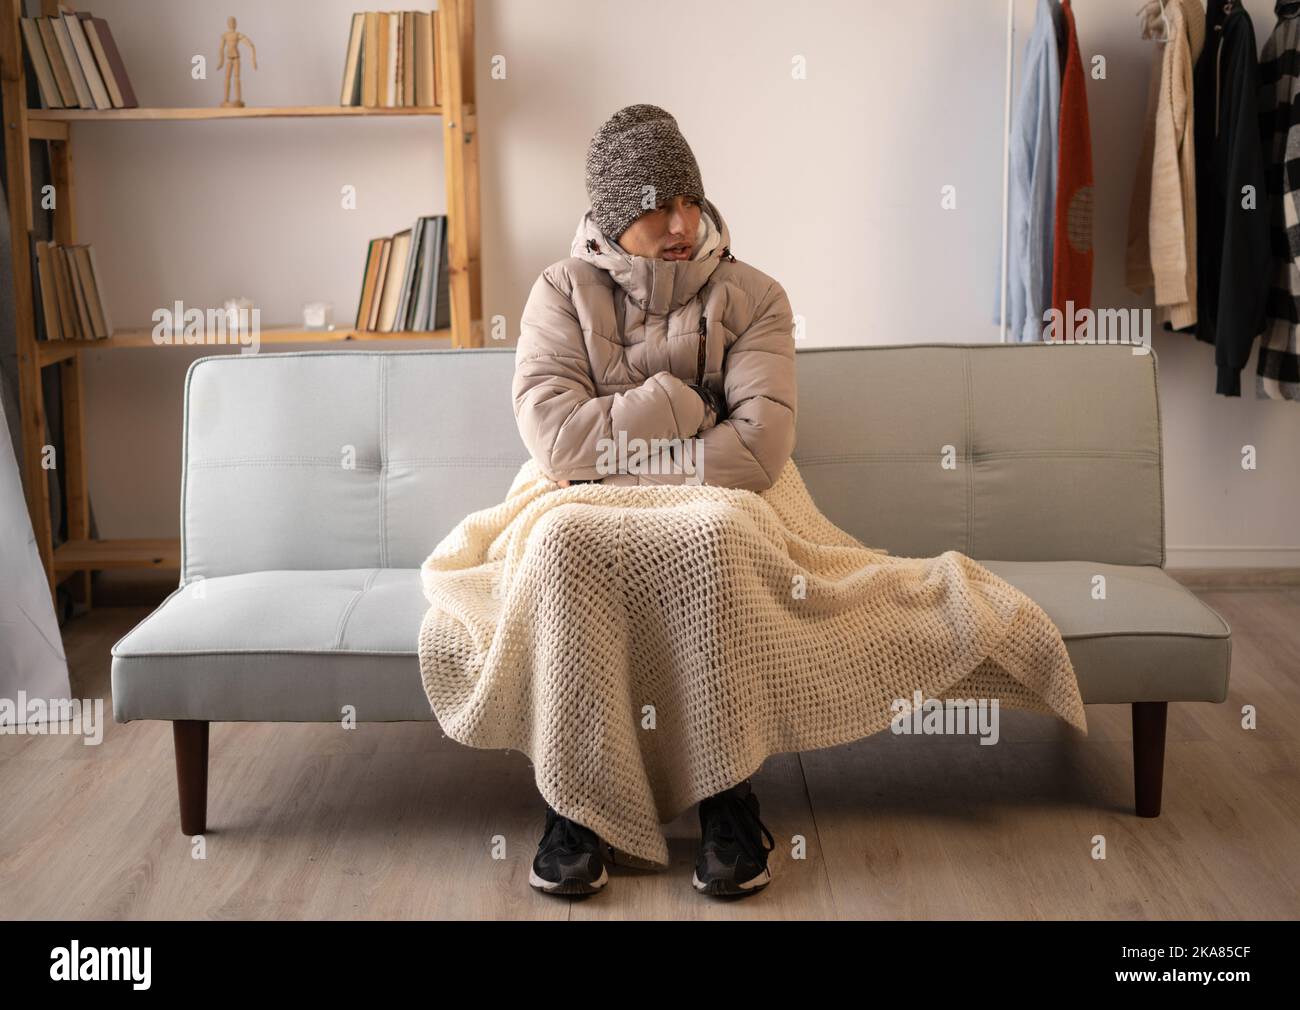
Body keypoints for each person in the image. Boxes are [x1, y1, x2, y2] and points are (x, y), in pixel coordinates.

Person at [512, 104, 797, 897]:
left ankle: (727, 796)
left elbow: (759, 450)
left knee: (710, 537)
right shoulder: (560, 292)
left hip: (719, 498)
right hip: (590, 508)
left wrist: (612, 468)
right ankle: (574, 807)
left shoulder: (755, 297)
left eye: (688, 201)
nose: (679, 223)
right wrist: (679, 403)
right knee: (564, 544)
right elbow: (555, 444)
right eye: (652, 206)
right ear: (610, 219)